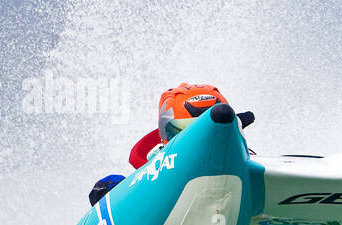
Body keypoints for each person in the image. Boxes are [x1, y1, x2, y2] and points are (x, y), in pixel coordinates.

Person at [89, 83, 247, 206]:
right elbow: (130, 186)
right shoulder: (156, 169)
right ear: (168, 133)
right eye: (186, 130)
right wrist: (114, 192)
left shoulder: (244, 160)